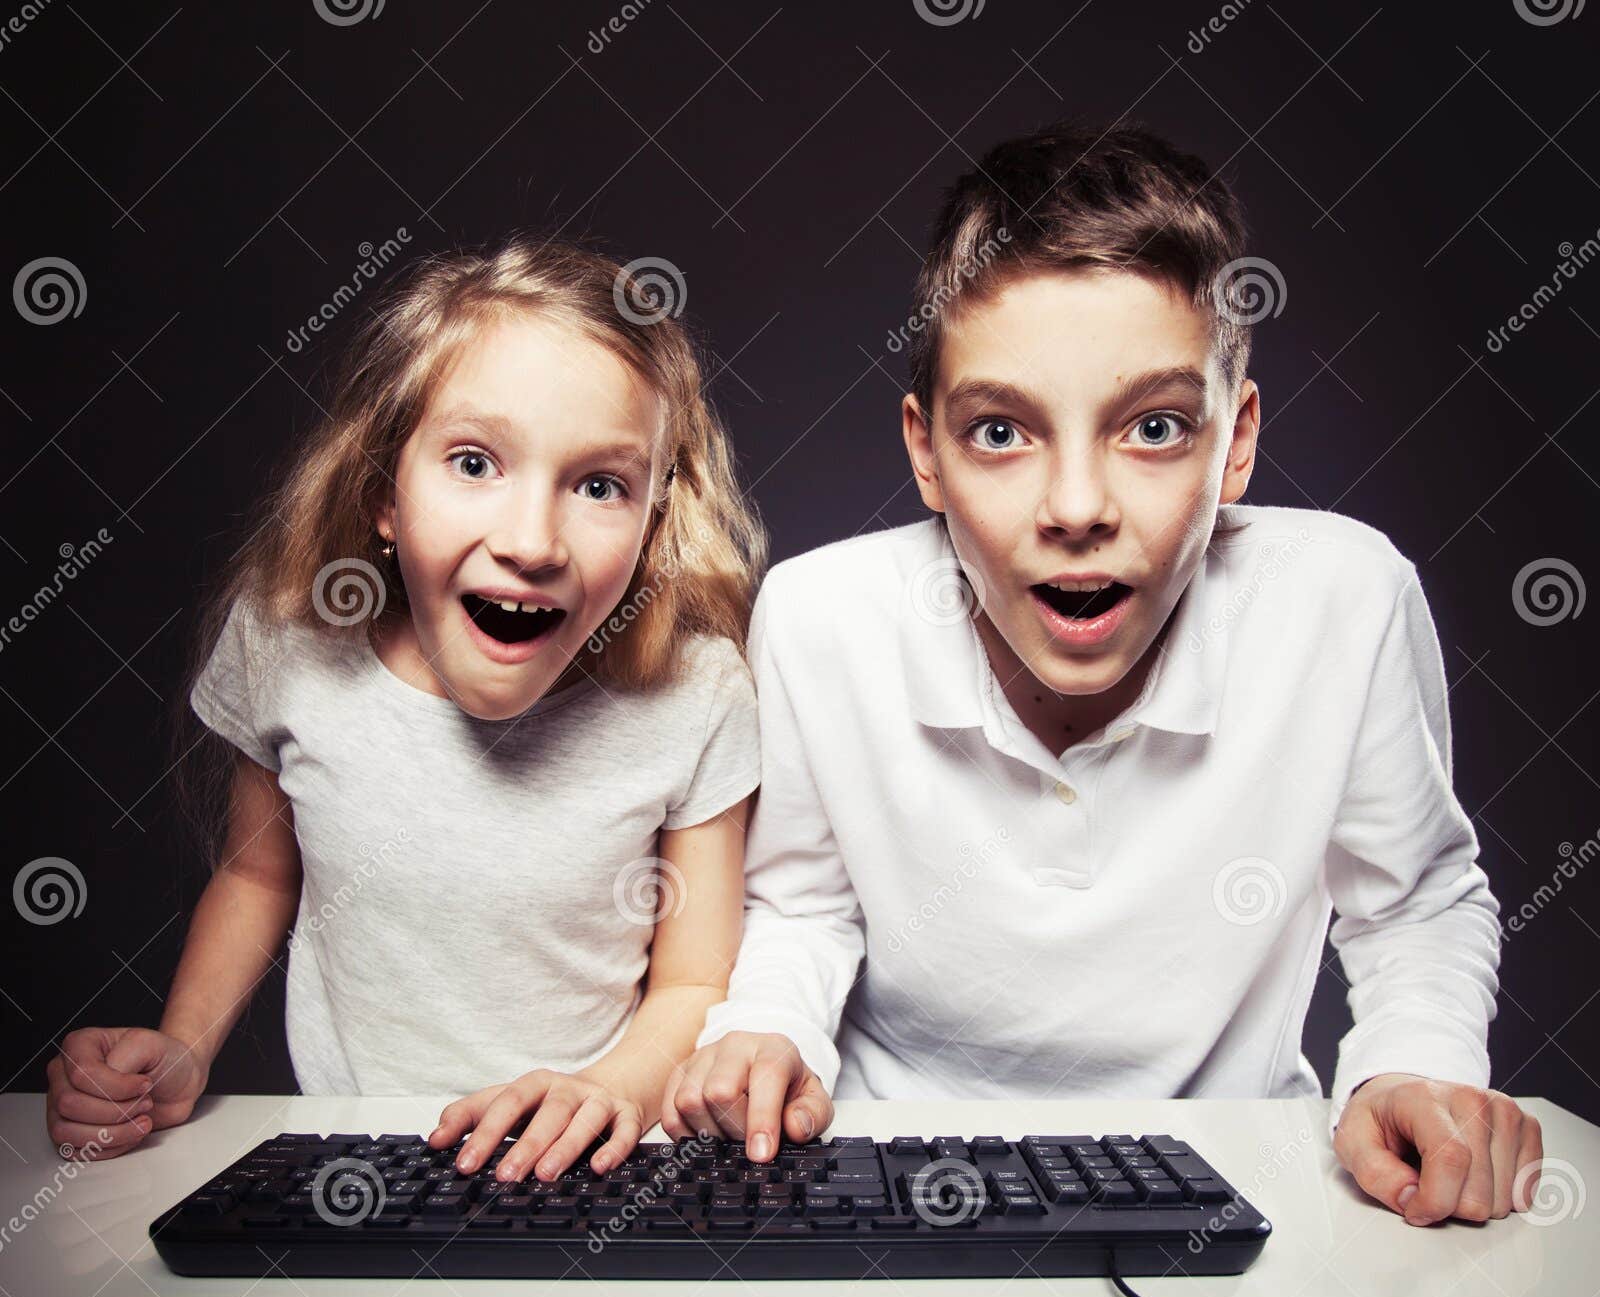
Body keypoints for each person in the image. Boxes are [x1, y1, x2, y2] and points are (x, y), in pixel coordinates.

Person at [665, 121, 1543, 1227]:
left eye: (1155, 427)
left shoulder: (1342, 601)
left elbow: (1413, 903)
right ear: (924, 450)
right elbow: (801, 904)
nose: (1076, 507)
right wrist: (770, 1031)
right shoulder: (821, 616)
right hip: (887, 1170)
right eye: (999, 432)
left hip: (1239, 1184)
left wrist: (1415, 1064)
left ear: (1236, 443)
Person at [45, 236, 764, 1186]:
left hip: (597, 1168)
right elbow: (258, 877)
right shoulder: (291, 646)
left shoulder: (695, 691)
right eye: (474, 463)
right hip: (357, 1170)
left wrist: (607, 1092)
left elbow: (692, 976)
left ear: (653, 521)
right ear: (385, 490)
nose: (531, 541)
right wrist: (181, 1049)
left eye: (600, 485)